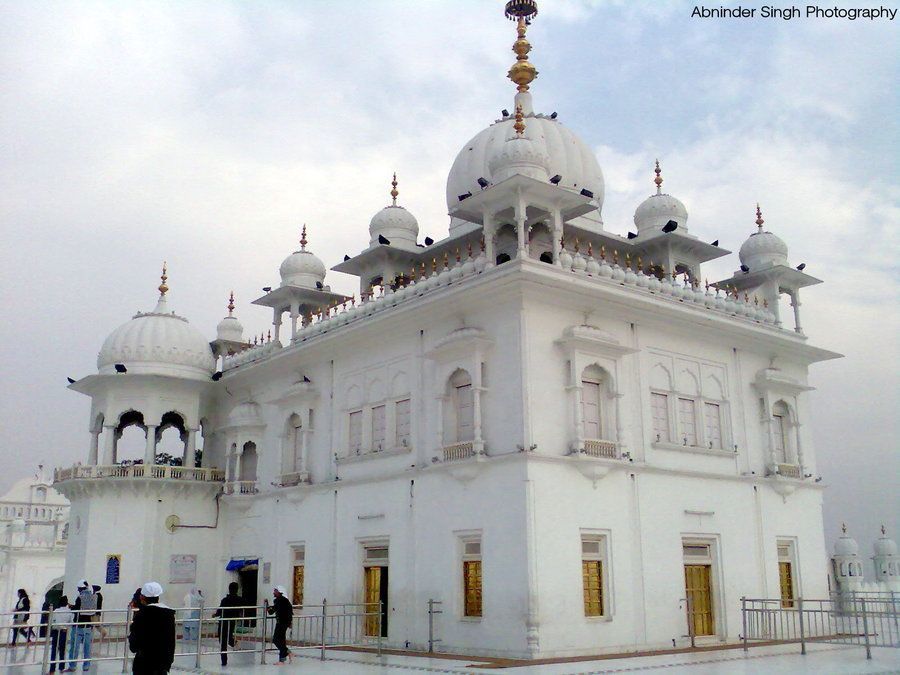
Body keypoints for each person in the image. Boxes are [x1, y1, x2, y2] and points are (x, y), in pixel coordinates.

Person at [128, 582, 175, 674]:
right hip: (162, 663)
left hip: (144, 662)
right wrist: (168, 662)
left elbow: (135, 641)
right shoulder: (168, 614)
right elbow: (171, 640)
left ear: (142, 597)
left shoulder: (141, 614)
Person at [64, 579, 97, 672]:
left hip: (79, 625)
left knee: (74, 647)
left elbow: (77, 609)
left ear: (80, 588)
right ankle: (86, 666)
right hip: (88, 625)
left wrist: (71, 606)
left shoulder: (80, 597)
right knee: (87, 647)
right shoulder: (93, 597)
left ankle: (72, 666)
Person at [211, 582, 243, 667]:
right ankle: (234, 643)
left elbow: (220, 611)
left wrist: (215, 615)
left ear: (229, 589)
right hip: (232, 622)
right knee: (228, 636)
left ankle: (224, 661)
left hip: (224, 622)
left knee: (223, 641)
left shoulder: (225, 600)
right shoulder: (240, 600)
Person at [267, 586, 293, 665]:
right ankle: (284, 657)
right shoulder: (285, 601)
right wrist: (289, 622)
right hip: (284, 623)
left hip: (281, 623)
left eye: (275, 591)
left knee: (276, 640)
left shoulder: (279, 600)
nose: (273, 593)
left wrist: (267, 605)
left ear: (279, 592)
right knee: (282, 640)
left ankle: (285, 654)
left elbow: (271, 611)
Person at [49, 596, 73, 674]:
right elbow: (71, 622)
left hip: (56, 632)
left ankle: (52, 670)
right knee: (62, 650)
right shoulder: (69, 612)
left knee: (54, 651)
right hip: (64, 632)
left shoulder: (56, 611)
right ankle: (61, 668)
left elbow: (52, 621)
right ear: (67, 603)